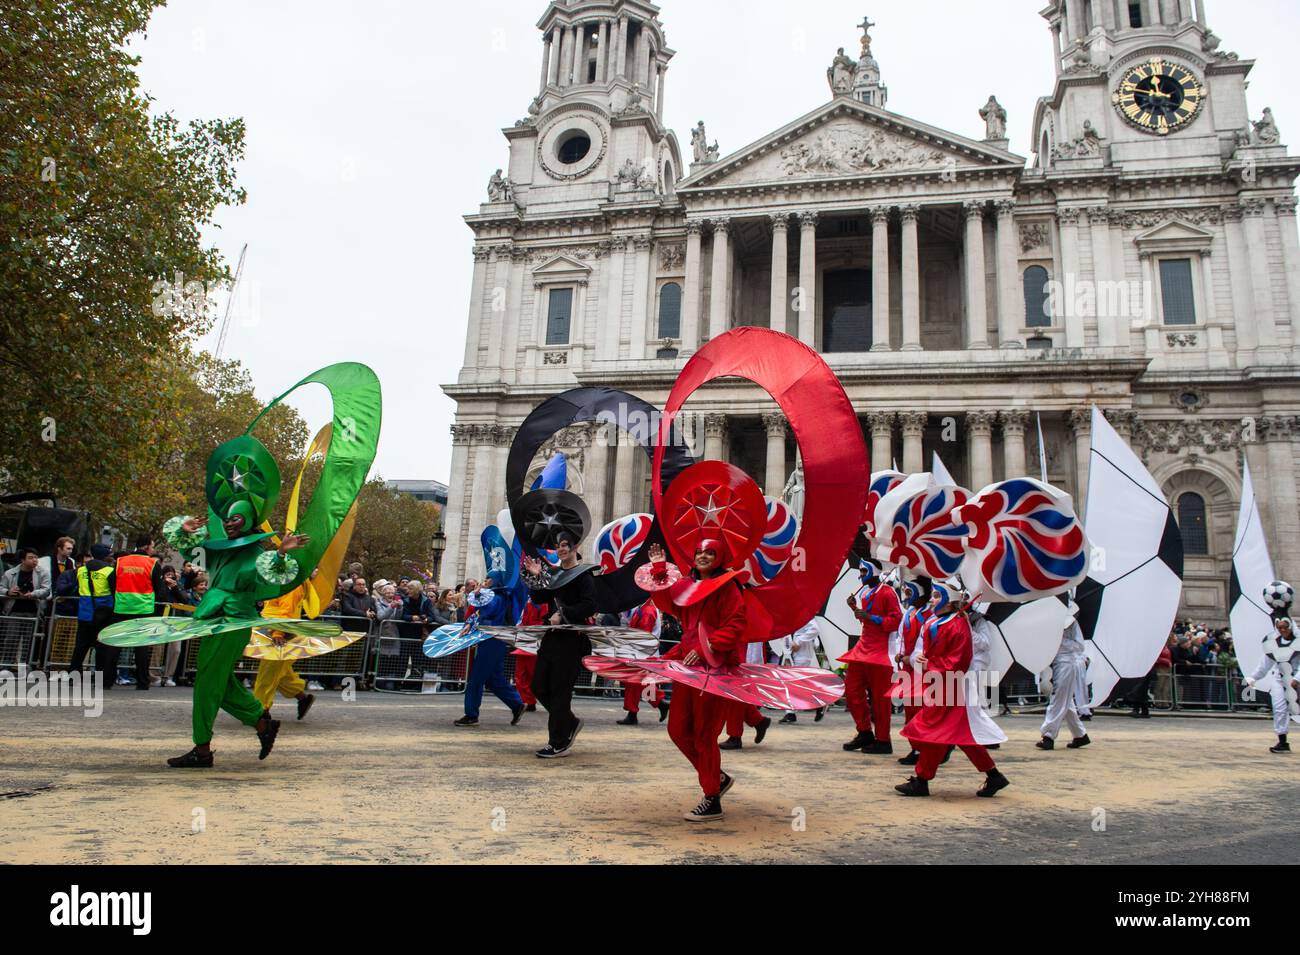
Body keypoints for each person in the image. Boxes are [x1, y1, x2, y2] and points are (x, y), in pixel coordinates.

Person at [645, 538, 748, 822]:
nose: (703, 556)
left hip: (714, 671)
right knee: (678, 731)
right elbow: (668, 603)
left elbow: (736, 623)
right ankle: (717, 778)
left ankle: (712, 797)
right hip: (688, 668)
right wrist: (658, 571)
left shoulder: (728, 586)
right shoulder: (688, 586)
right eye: (699, 551)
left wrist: (707, 648)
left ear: (719, 556)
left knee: (705, 735)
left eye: (709, 552)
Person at [895, 578, 1009, 798]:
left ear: (949, 602)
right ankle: (994, 776)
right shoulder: (939, 622)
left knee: (931, 729)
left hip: (952, 687)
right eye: (934, 595)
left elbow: (959, 661)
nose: (932, 599)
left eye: (938, 596)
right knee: (954, 734)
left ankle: (922, 780)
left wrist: (930, 665)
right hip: (941, 685)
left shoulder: (958, 625)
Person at [521, 533, 597, 758]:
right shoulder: (554, 575)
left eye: (565, 545)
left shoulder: (584, 575)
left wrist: (563, 615)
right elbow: (538, 598)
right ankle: (570, 722)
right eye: (558, 546)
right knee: (538, 686)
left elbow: (590, 605)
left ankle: (558, 741)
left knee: (560, 692)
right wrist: (536, 576)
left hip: (572, 640)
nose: (561, 549)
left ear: (576, 547)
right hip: (552, 637)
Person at [839, 559, 902, 755]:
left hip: (881, 651)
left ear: (874, 571)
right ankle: (865, 731)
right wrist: (854, 608)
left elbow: (895, 620)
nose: (860, 575)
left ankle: (883, 740)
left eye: (864, 571)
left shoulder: (887, 592)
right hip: (863, 648)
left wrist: (869, 617)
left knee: (880, 699)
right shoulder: (867, 593)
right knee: (852, 690)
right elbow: (866, 618)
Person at [454, 576, 526, 727]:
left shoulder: (497, 597)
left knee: (476, 678)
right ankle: (516, 704)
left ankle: (471, 714)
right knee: (494, 679)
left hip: (491, 639)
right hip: (494, 639)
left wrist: (478, 595)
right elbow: (479, 614)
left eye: (488, 580)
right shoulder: (500, 596)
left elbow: (486, 613)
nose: (485, 582)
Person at [251, 570, 319, 722]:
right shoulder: (282, 583)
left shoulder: (291, 585)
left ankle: (261, 711)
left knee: (267, 674)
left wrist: (278, 634)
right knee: (280, 673)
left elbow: (286, 612)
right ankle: (303, 698)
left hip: (280, 636)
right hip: (274, 632)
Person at [104, 536, 168, 690]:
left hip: (121, 607)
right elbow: (159, 588)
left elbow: (111, 581)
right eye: (152, 547)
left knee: (114, 646)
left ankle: (106, 682)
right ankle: (142, 682)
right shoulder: (152, 564)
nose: (153, 550)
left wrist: (118, 596)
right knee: (141, 648)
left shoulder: (121, 561)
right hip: (143, 609)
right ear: (146, 547)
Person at [1244, 612, 1299, 754]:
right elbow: (1264, 665)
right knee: (1279, 709)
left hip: (1294, 680)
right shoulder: (1272, 644)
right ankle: (1282, 741)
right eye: (1279, 627)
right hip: (1279, 680)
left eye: (1285, 627)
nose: (1282, 630)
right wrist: (1253, 677)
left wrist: (1297, 678)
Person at [892, 577, 933, 764]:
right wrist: (899, 655)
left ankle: (927, 748)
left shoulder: (931, 615)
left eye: (910, 592)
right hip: (908, 668)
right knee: (910, 710)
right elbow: (901, 636)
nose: (907, 595)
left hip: (923, 669)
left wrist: (914, 658)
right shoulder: (909, 613)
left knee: (923, 710)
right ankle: (916, 747)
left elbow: (927, 642)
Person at [1036, 617, 1091, 750]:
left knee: (1058, 699)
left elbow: (1079, 646)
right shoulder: (1049, 619)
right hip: (1053, 663)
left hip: (1066, 663)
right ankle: (1080, 735)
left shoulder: (1072, 622)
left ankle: (1048, 736)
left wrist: (1059, 641)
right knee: (1065, 701)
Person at [616, 598, 668, 725]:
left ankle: (637, 711)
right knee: (637, 683)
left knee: (635, 683)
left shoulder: (647, 610)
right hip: (641, 652)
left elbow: (642, 635)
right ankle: (657, 704)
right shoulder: (644, 608)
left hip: (642, 653)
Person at [67, 544, 115, 677]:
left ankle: (74, 675)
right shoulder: (109, 571)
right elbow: (114, 591)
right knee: (102, 647)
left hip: (84, 613)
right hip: (103, 613)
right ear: (106, 555)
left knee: (80, 647)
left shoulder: (81, 570)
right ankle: (99, 677)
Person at [777, 619, 824, 723]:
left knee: (793, 684)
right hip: (789, 653)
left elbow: (815, 629)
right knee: (793, 684)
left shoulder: (805, 615)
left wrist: (798, 641)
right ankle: (791, 713)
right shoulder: (789, 615)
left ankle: (791, 713)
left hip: (801, 655)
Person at [513, 595, 550, 711]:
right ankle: (526, 700)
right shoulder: (525, 601)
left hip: (534, 641)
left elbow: (544, 622)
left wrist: (530, 629)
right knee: (520, 674)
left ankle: (530, 700)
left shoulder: (542, 603)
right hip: (524, 640)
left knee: (531, 674)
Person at [2, 547, 52, 616]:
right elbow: (1, 588)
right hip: (13, 611)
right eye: (31, 558)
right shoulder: (9, 573)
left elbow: (47, 590)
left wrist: (33, 594)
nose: (34, 560)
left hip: (34, 611)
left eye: (36, 557)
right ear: (23, 560)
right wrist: (8, 592)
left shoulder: (43, 573)